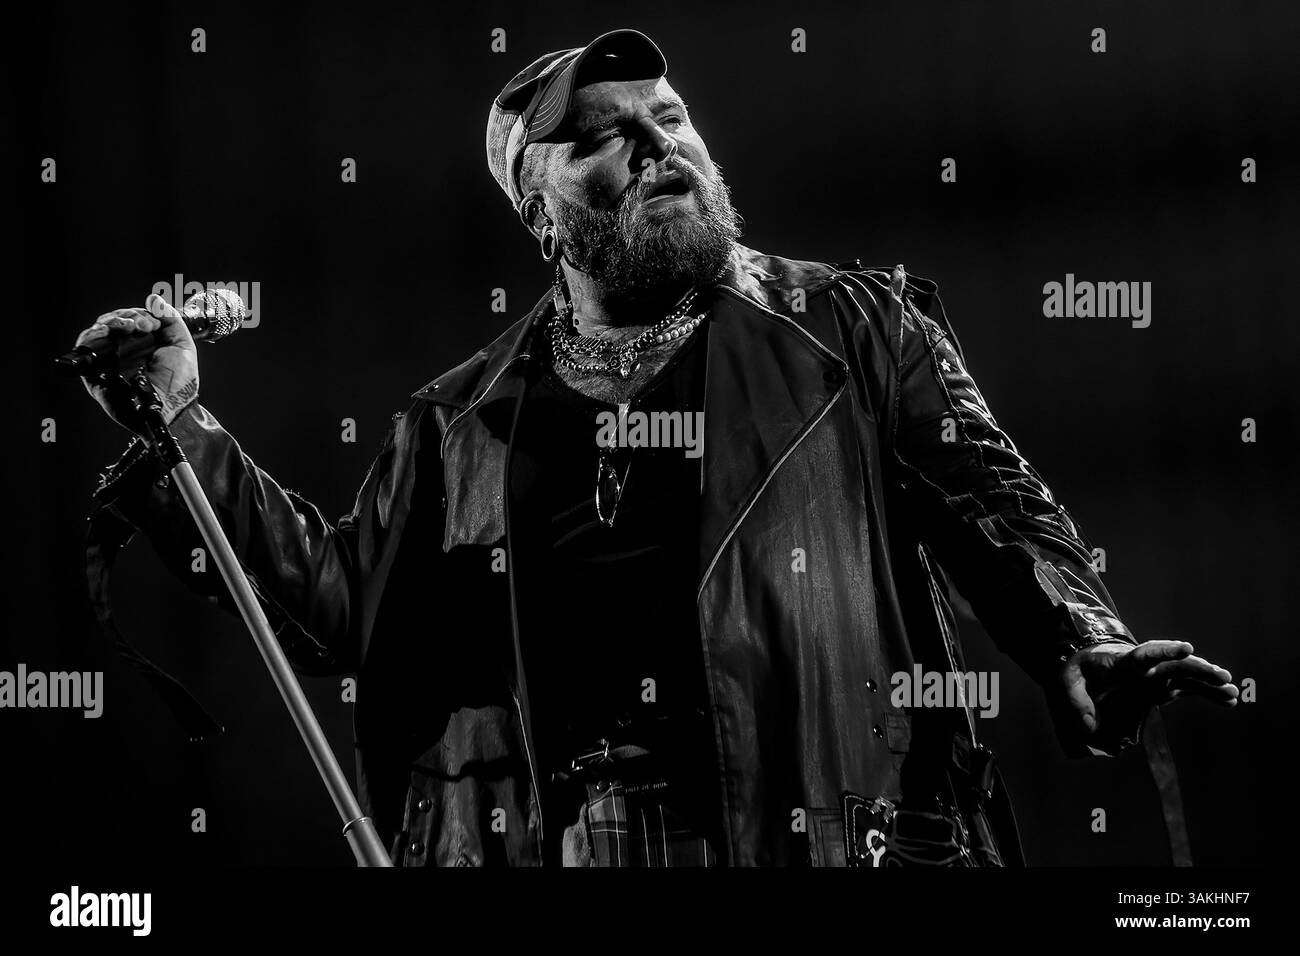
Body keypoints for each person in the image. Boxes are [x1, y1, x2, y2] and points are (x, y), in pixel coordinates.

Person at [75, 28, 1238, 867]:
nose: (652, 145)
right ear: (539, 214)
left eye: (666, 120)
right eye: (598, 140)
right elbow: (341, 605)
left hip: (840, 831)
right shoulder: (459, 417)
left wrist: (1081, 643)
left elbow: (995, 504)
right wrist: (184, 423)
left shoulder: (848, 324)